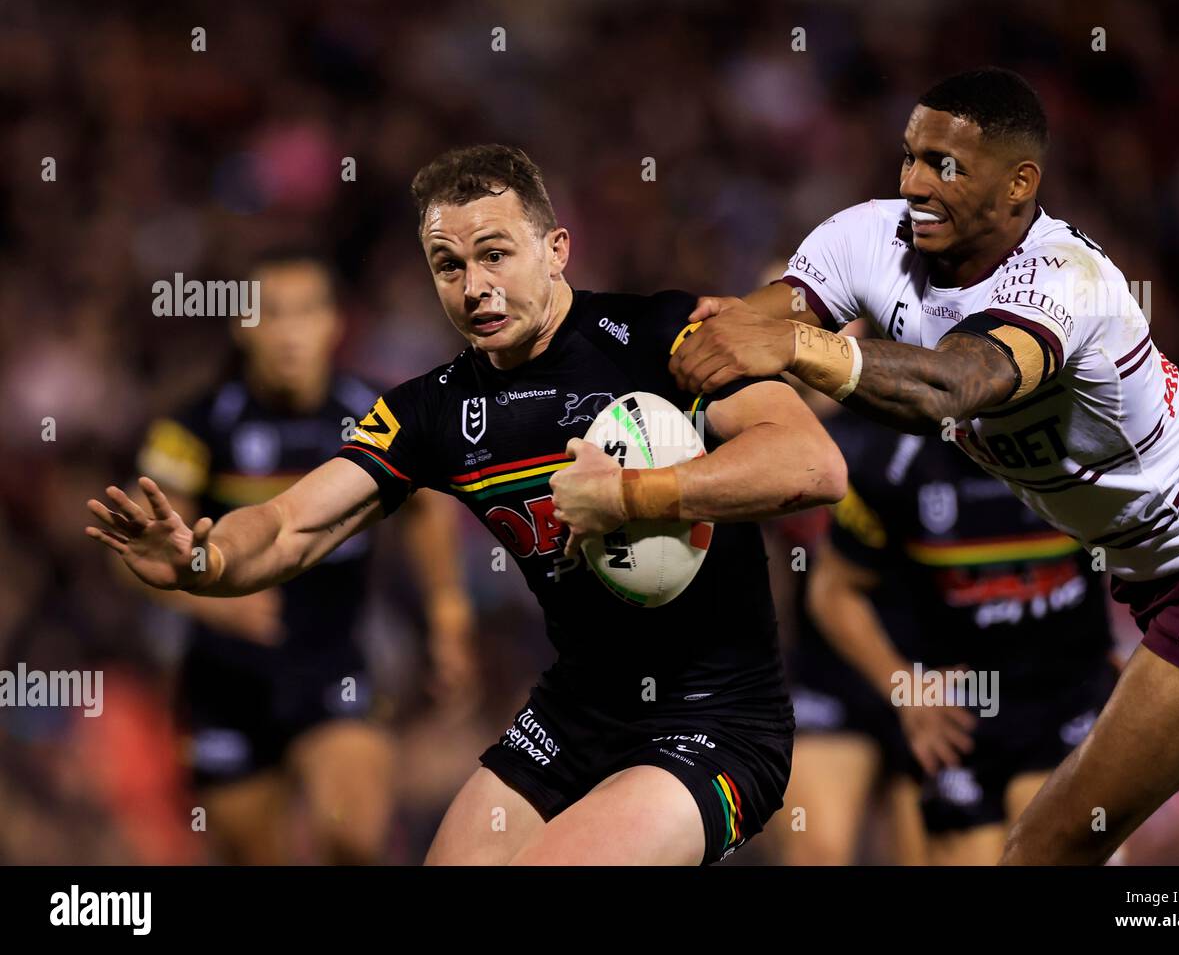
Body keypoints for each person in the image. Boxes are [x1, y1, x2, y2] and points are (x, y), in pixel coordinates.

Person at [87, 145, 847, 866]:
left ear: (556, 249)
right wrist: (199, 558)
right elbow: (290, 524)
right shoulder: (432, 411)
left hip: (717, 721)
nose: (474, 287)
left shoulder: (661, 336)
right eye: (447, 266)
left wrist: (625, 494)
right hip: (574, 716)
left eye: (495, 254)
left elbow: (811, 464)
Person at [669, 67, 1179, 864]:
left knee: (1046, 846)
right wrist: (656, 370)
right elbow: (746, 330)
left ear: (1018, 185)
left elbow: (955, 385)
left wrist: (797, 345)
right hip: (1168, 573)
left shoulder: (1068, 282)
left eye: (946, 165)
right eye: (908, 157)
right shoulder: (868, 238)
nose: (914, 183)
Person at [122, 250, 475, 864]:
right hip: (225, 683)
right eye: (271, 314)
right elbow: (139, 548)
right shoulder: (194, 428)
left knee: (352, 838)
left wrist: (447, 611)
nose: (289, 333)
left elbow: (427, 507)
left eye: (306, 312)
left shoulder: (378, 414)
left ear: (335, 322)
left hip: (336, 667)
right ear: (243, 326)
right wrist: (208, 602)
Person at [780, 412, 1116, 865]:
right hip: (961, 713)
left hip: (1068, 698)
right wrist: (903, 687)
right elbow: (831, 591)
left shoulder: (1089, 447)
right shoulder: (894, 463)